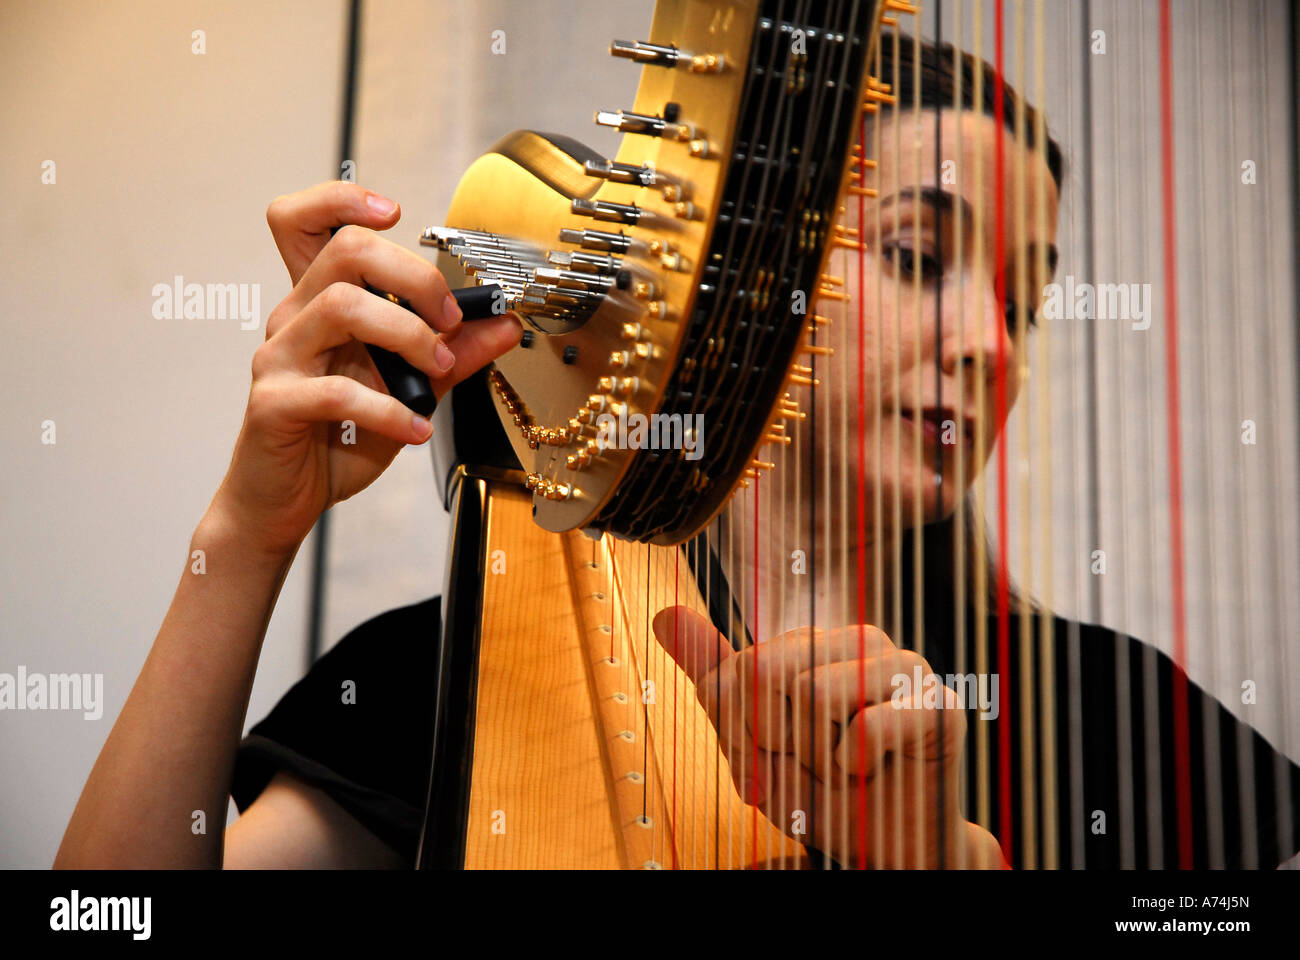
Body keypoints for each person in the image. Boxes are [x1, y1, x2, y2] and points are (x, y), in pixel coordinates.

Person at [56, 38, 1300, 870]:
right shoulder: (448, 675)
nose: (986, 343)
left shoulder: (1117, 713)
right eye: (922, 256)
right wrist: (246, 531)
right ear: (741, 280)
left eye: (1023, 304)